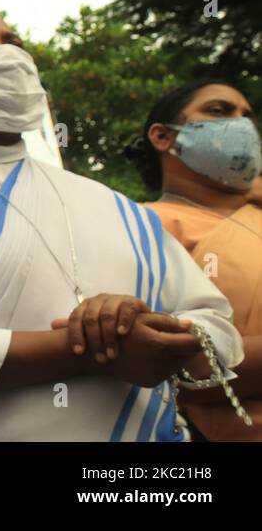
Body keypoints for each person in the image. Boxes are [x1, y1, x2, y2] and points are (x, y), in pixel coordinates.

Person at [0, 8, 242, 441]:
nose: (7, 53)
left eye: (14, 41)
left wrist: (152, 329)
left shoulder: (115, 205)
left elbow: (216, 323)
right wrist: (100, 350)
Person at [128, 79, 262, 439]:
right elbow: (154, 364)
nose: (242, 125)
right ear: (163, 137)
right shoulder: (141, 225)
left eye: (248, 116)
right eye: (219, 112)